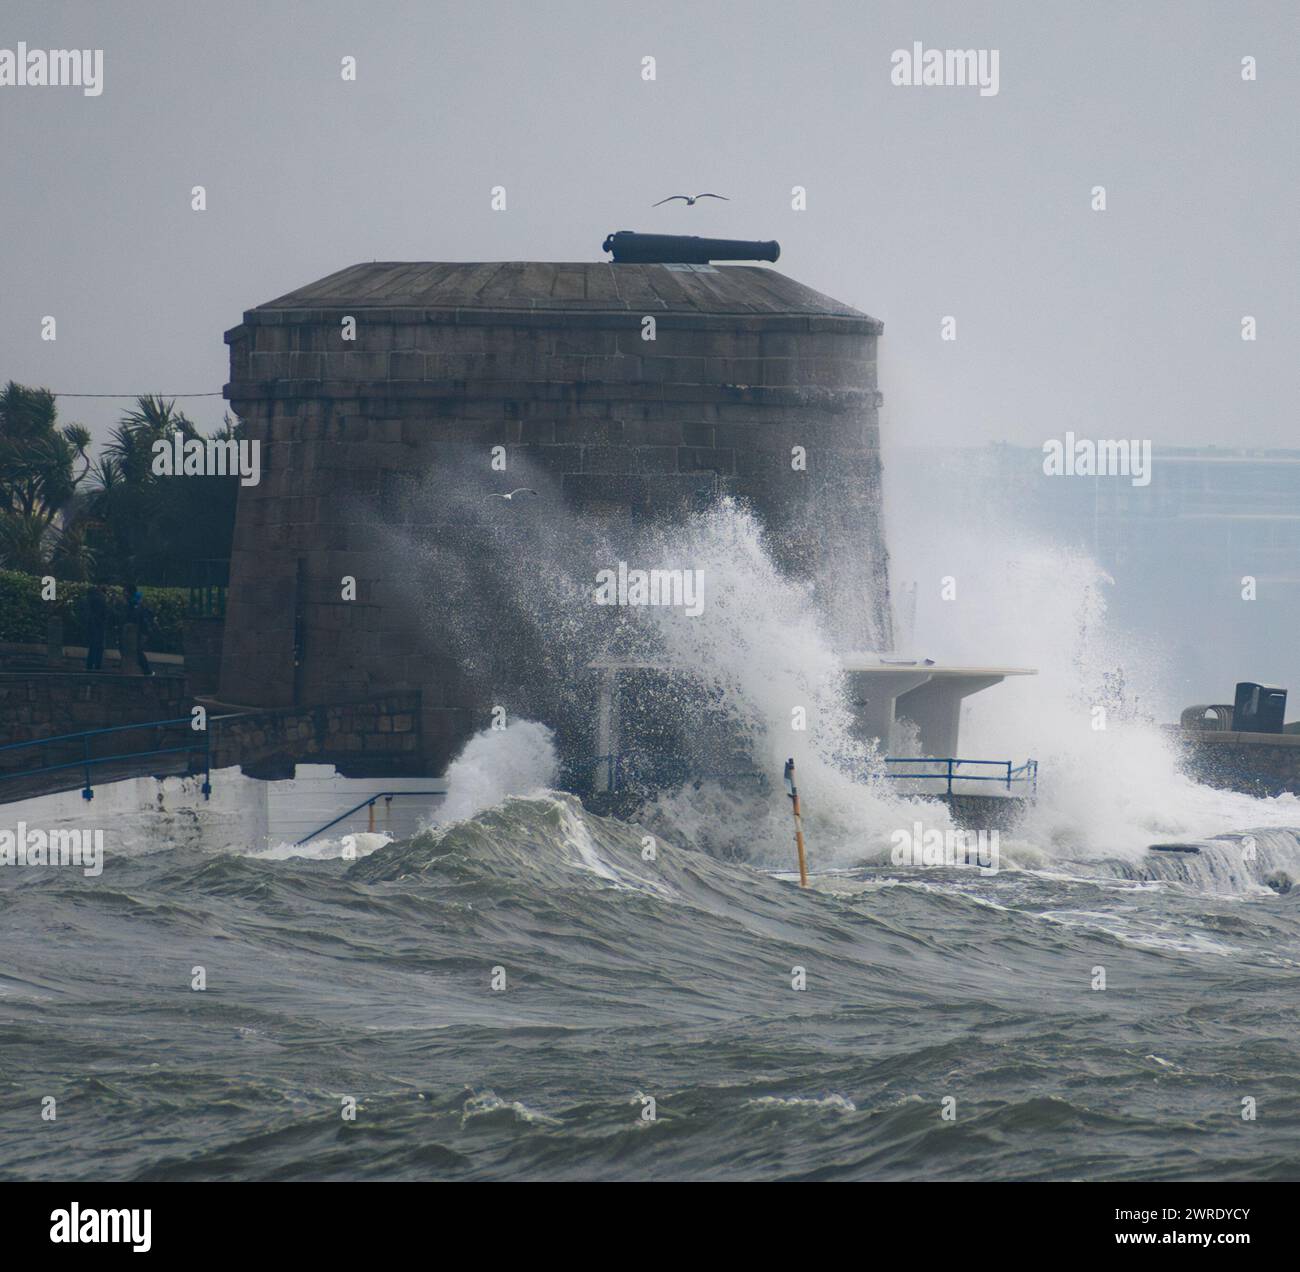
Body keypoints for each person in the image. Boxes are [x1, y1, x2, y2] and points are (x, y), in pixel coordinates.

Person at [122, 584, 155, 676]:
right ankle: (145, 670)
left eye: (125, 591)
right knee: (136, 651)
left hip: (140, 632)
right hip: (139, 631)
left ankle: (147, 671)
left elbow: (136, 618)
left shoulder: (135, 604)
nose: (124, 594)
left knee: (137, 651)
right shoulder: (133, 603)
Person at [82, 585, 108, 671]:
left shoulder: (88, 599)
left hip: (91, 624)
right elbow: (104, 613)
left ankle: (90, 665)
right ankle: (97, 665)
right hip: (99, 624)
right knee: (99, 646)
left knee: (92, 646)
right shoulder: (101, 599)